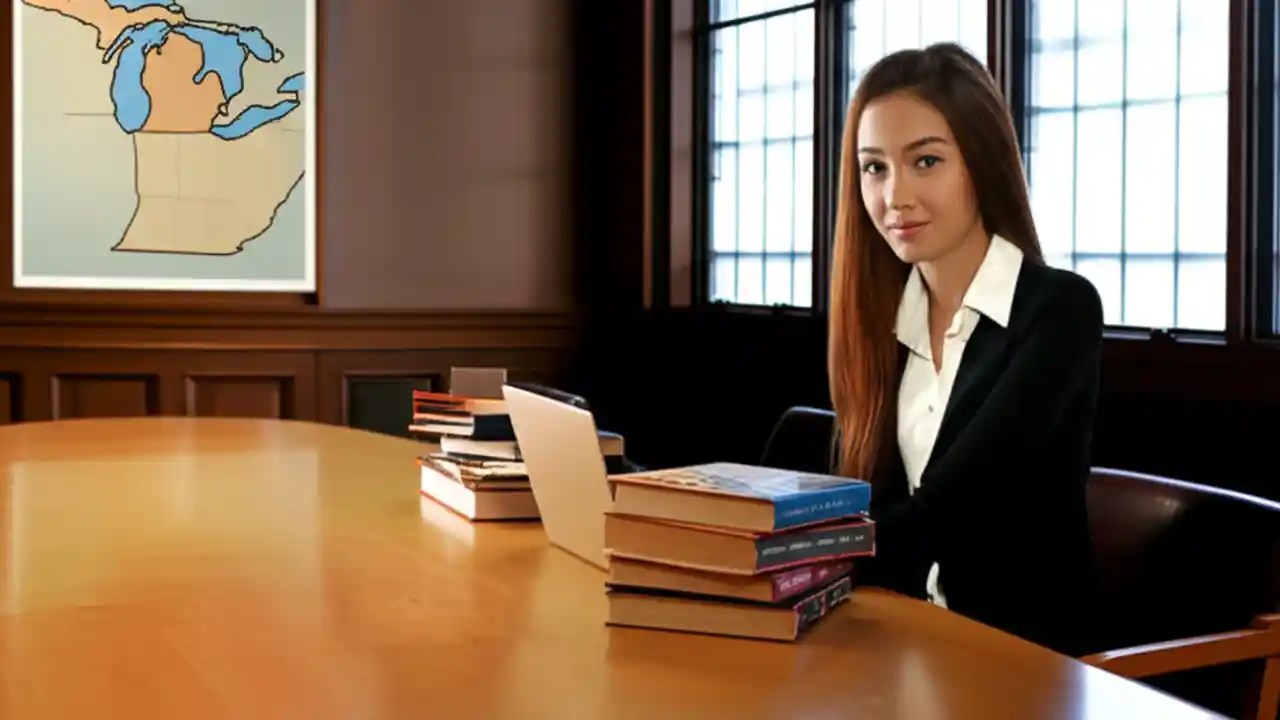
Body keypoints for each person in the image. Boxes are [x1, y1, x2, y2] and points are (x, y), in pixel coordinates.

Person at [828, 43, 1105, 656]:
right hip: (897, 648)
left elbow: (952, 508)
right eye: (874, 167)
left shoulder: (1059, 311)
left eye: (925, 160)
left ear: (979, 162)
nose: (895, 196)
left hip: (1021, 667)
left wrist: (785, 553)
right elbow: (853, 500)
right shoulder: (878, 321)